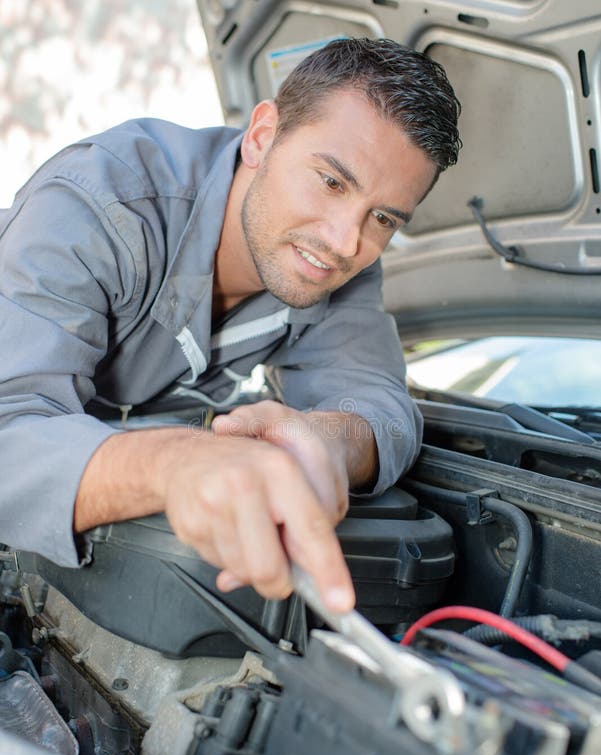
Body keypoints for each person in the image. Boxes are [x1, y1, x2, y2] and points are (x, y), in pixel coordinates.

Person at [0, 37, 460, 613]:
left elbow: (381, 402)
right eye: (331, 182)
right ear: (262, 136)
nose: (346, 241)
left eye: (384, 217)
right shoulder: (102, 203)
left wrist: (325, 441)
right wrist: (175, 463)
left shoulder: (336, 266)